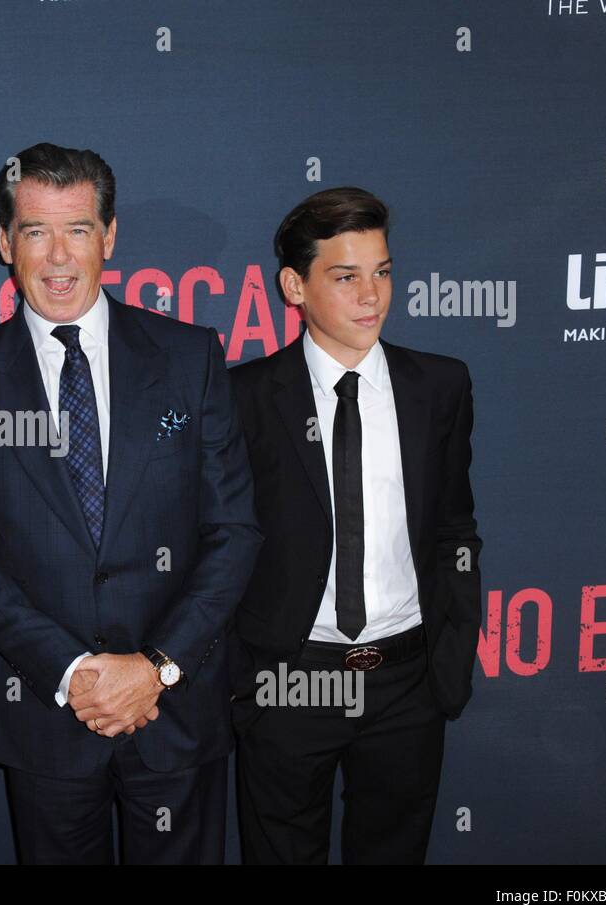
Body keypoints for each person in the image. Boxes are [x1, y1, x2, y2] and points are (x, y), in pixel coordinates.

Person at [0, 143, 261, 864]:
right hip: (44, 715)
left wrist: (157, 667)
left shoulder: (189, 357)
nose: (56, 256)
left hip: (175, 708)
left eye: (77, 229)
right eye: (35, 230)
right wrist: (76, 672)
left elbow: (233, 530)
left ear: (109, 237)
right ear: (4, 240)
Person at [228, 186, 482, 864]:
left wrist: (450, 656)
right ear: (294, 285)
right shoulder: (242, 399)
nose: (371, 296)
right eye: (345, 276)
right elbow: (219, 543)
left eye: (383, 272)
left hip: (406, 680)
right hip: (289, 679)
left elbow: (456, 526)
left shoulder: (440, 387)